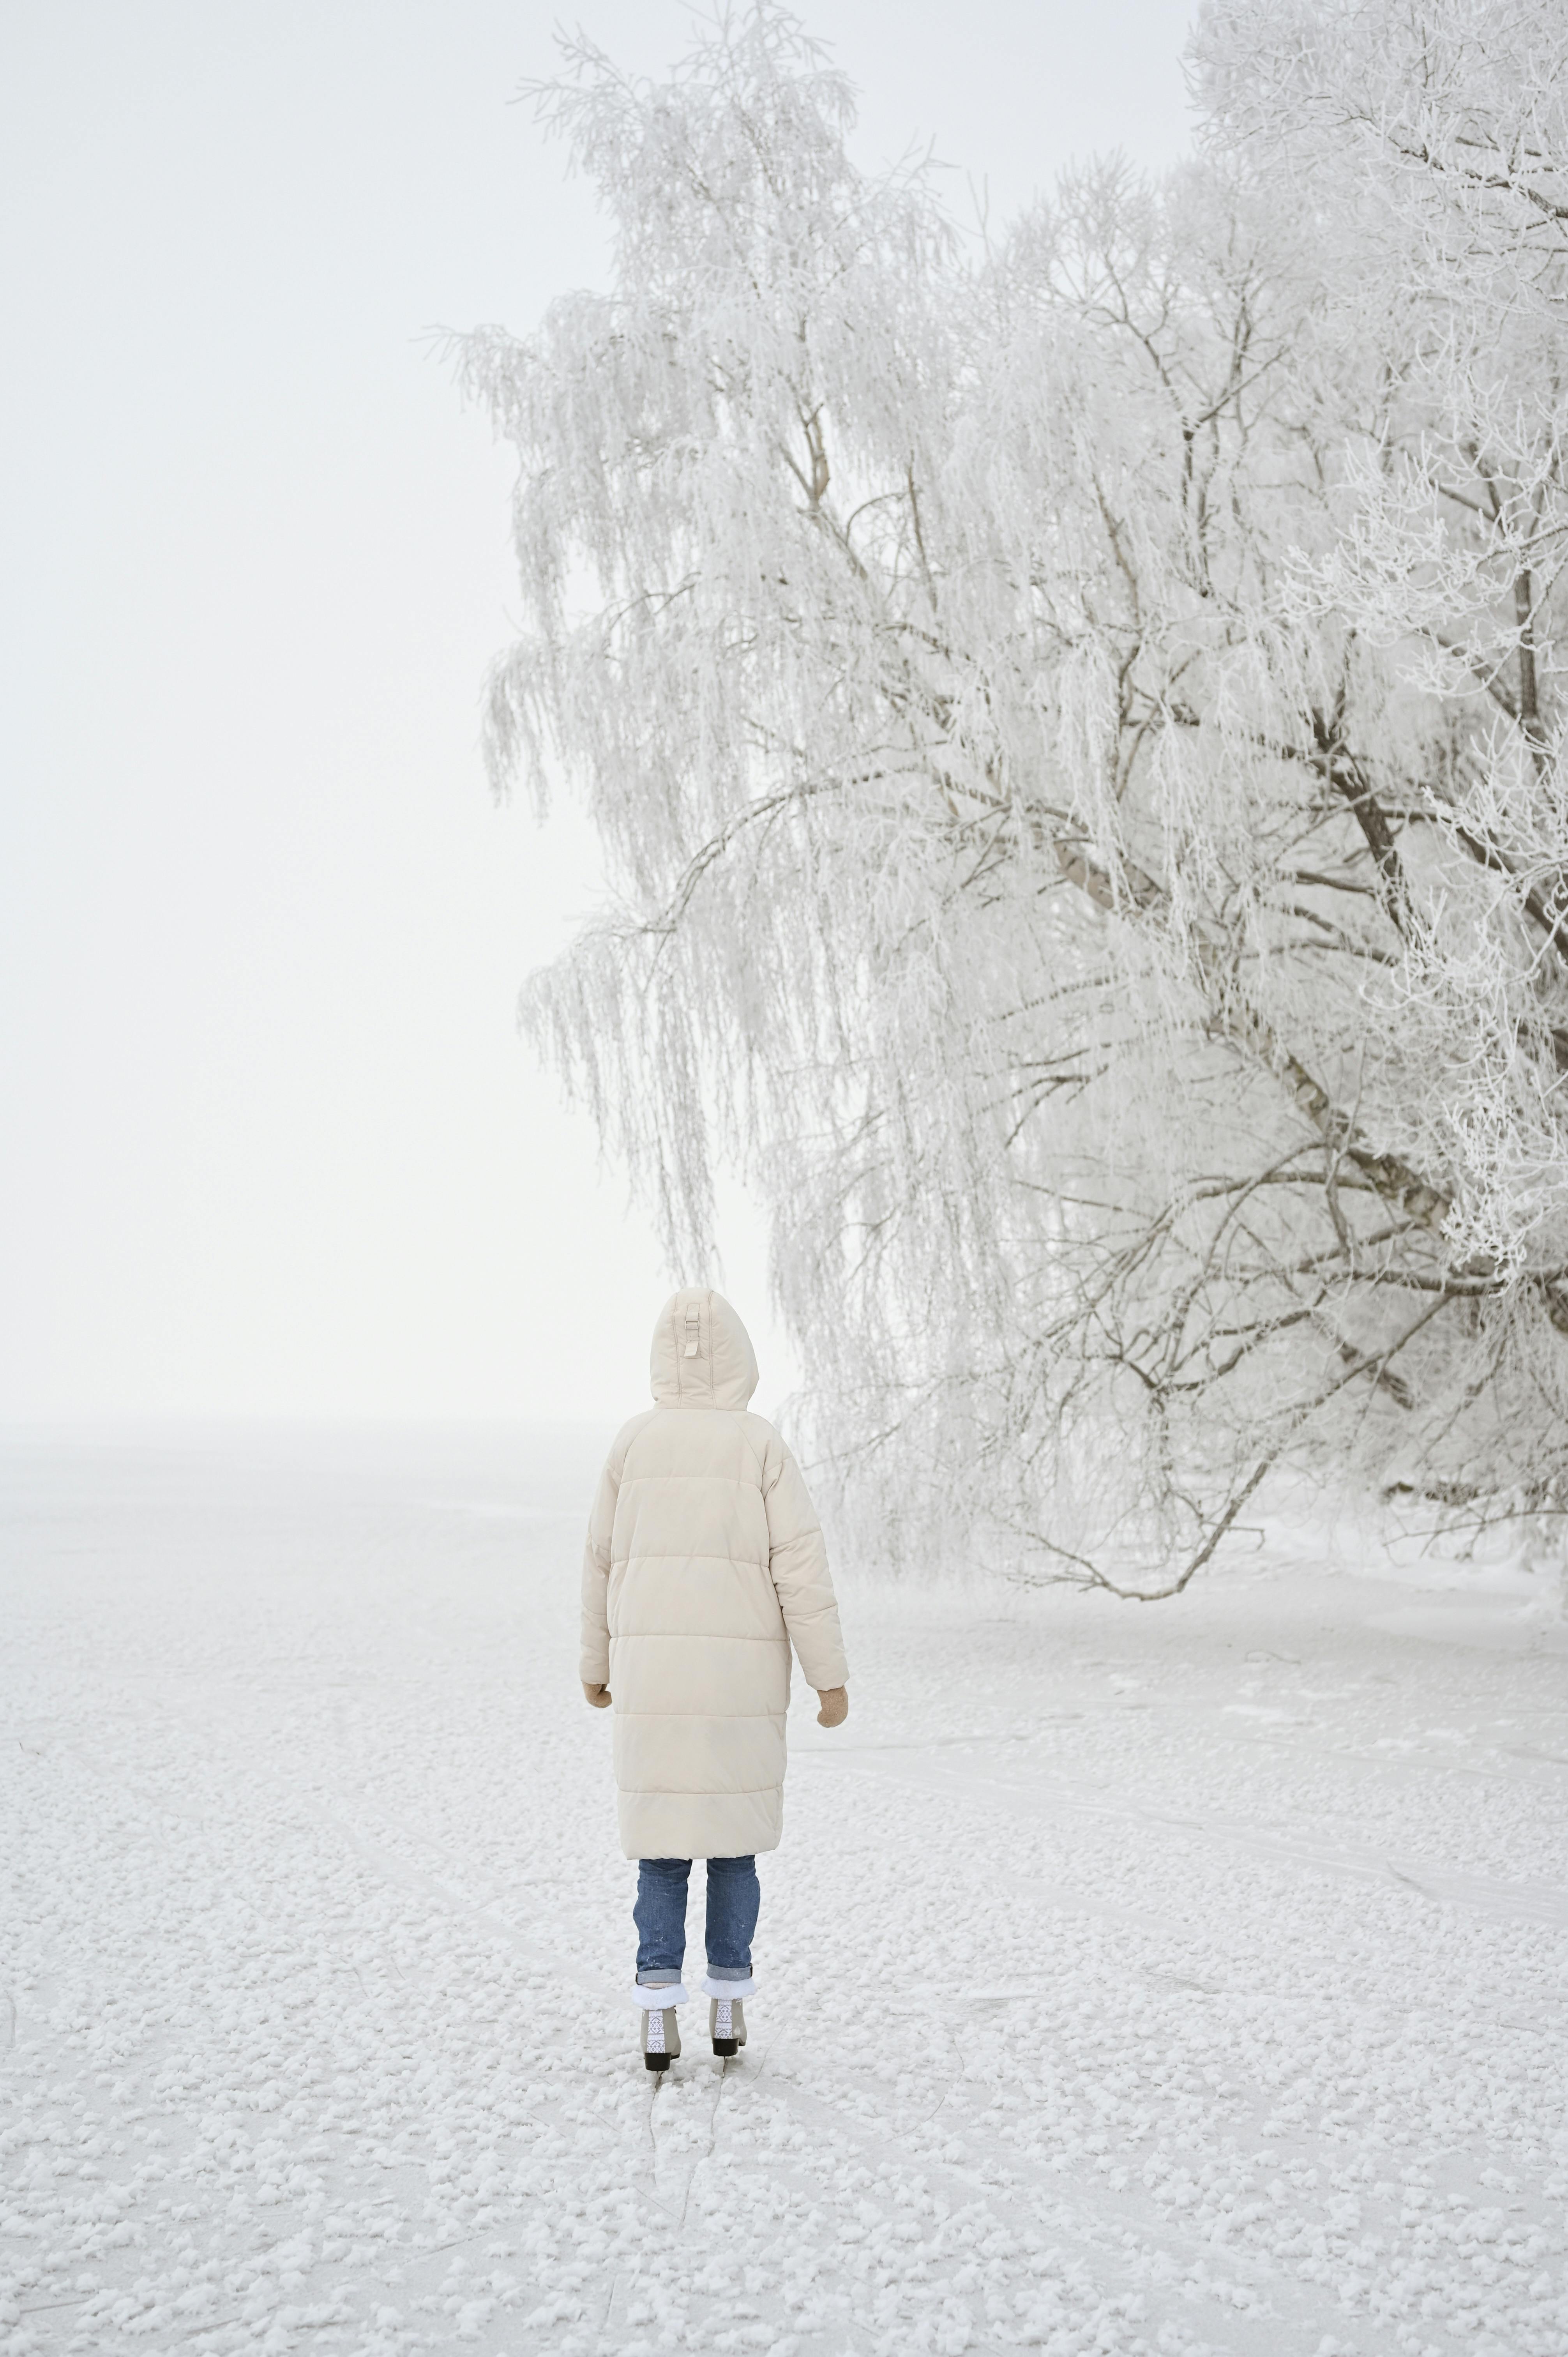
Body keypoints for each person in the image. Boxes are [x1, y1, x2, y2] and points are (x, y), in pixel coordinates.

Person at [580, 1286, 849, 2071]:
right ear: (739, 1357)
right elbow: (800, 1568)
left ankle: (657, 2010)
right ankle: (728, 2001)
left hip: (653, 1686)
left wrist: (595, 1664)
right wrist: (828, 1678)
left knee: (662, 1854)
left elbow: (598, 1566)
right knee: (733, 1853)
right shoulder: (759, 1446)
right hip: (739, 1689)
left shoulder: (631, 1444)